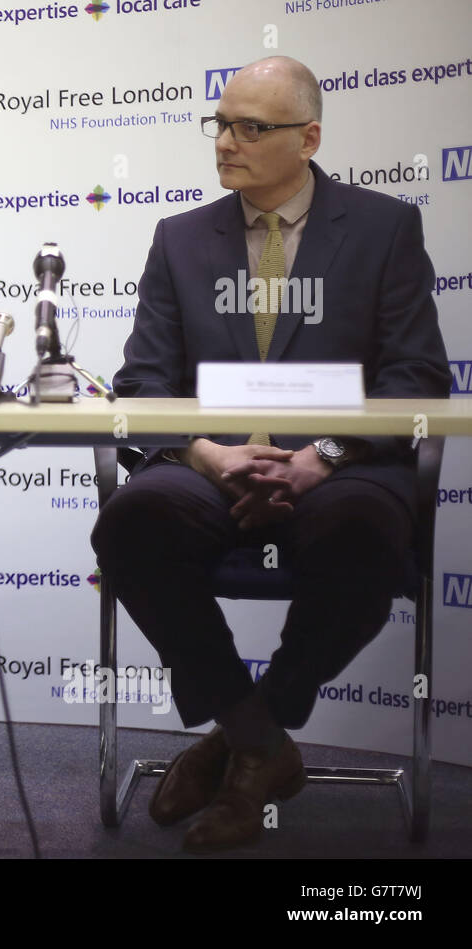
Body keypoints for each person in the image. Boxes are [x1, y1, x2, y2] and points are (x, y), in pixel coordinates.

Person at [91, 57, 450, 853]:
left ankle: (241, 744)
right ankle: (260, 742)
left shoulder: (386, 227)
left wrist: (321, 452)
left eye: (251, 127)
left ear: (308, 137)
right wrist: (210, 455)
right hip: (212, 470)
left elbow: (417, 376)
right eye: (219, 124)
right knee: (131, 523)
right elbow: (144, 383)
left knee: (366, 531)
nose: (226, 141)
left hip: (340, 468)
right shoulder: (180, 239)